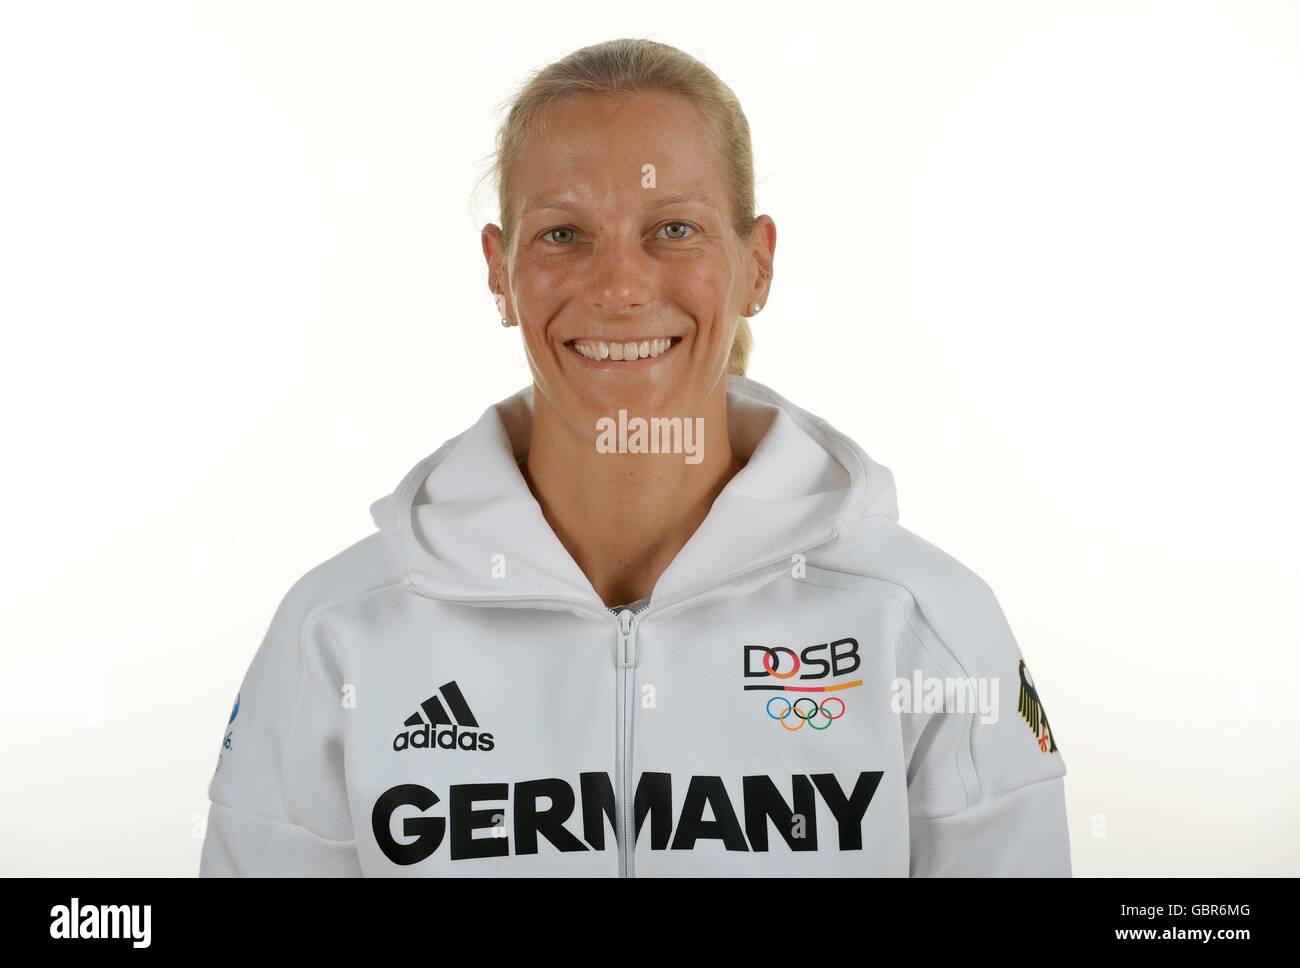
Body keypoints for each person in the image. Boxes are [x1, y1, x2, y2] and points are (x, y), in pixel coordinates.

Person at [199, 37, 1070, 877]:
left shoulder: (922, 625)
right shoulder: (337, 635)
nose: (618, 288)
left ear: (755, 266)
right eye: (563, 235)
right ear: (499, 273)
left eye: (675, 229)